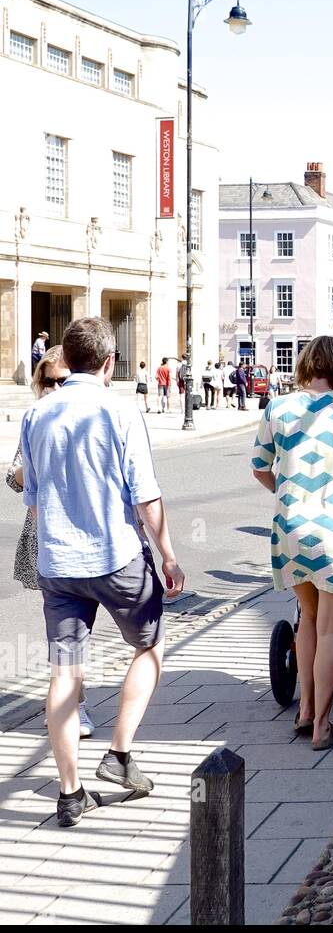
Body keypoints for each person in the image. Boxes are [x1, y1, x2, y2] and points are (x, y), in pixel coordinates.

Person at [22, 316, 186, 827]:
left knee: (65, 672)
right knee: (150, 645)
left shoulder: (36, 415)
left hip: (57, 563)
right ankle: (118, 754)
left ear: (66, 360)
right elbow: (147, 495)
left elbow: (31, 499)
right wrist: (168, 553)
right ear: (110, 362)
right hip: (115, 558)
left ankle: (70, 792)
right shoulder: (120, 410)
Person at [251, 336, 333, 750]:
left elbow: (258, 466)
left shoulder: (278, 407)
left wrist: (286, 490)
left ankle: (305, 710)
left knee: (306, 618)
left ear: (306, 364)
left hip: (290, 527)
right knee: (331, 627)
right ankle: (323, 726)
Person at [9, 346, 94, 739]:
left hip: (90, 539)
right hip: (46, 540)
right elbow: (13, 477)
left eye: (63, 379)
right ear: (40, 382)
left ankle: (68, 703)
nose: (56, 386)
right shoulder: (36, 421)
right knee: (65, 627)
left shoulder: (89, 416)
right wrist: (40, 461)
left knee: (77, 626)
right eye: (49, 380)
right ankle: (71, 706)